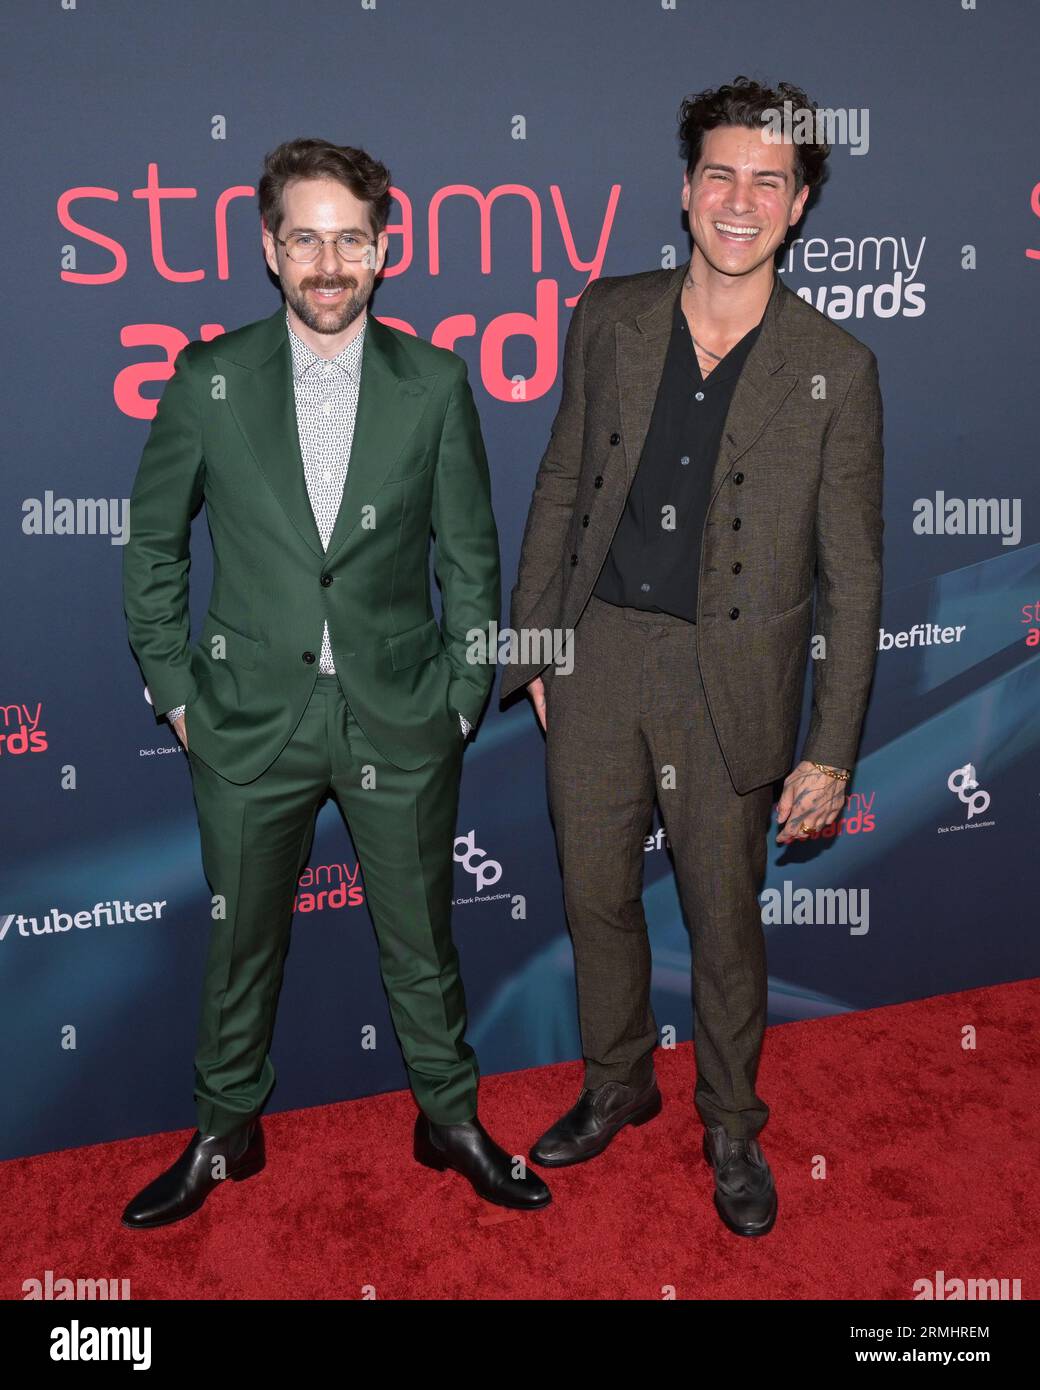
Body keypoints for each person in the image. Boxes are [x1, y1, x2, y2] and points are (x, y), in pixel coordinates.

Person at [121, 137, 550, 1226]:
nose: (326, 261)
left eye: (348, 238)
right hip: (245, 719)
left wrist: (461, 696)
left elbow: (469, 555)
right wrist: (175, 691)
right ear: (269, 247)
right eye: (303, 237)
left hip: (400, 712)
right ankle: (225, 1131)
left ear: (381, 248)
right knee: (237, 945)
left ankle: (445, 1117)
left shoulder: (435, 382)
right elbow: (152, 547)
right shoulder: (207, 378)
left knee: (422, 940)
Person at [500, 78, 884, 1237]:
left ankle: (729, 1120)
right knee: (593, 894)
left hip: (733, 683)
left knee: (723, 918)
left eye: (768, 181)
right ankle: (617, 1080)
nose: (738, 199)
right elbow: (561, 483)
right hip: (599, 654)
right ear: (684, 188)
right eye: (719, 173)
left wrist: (830, 747)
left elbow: (852, 574)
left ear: (799, 204)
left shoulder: (836, 367)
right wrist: (533, 650)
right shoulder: (609, 314)